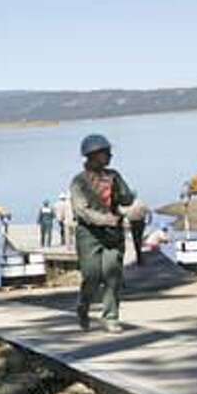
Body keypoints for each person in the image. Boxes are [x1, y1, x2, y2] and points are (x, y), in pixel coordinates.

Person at [70, 134, 137, 333]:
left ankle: (111, 317)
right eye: (105, 153)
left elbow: (126, 200)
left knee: (112, 275)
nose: (110, 156)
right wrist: (103, 219)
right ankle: (83, 306)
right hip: (89, 233)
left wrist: (123, 192)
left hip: (113, 233)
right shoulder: (79, 181)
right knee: (91, 276)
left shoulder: (114, 176)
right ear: (93, 155)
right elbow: (81, 209)